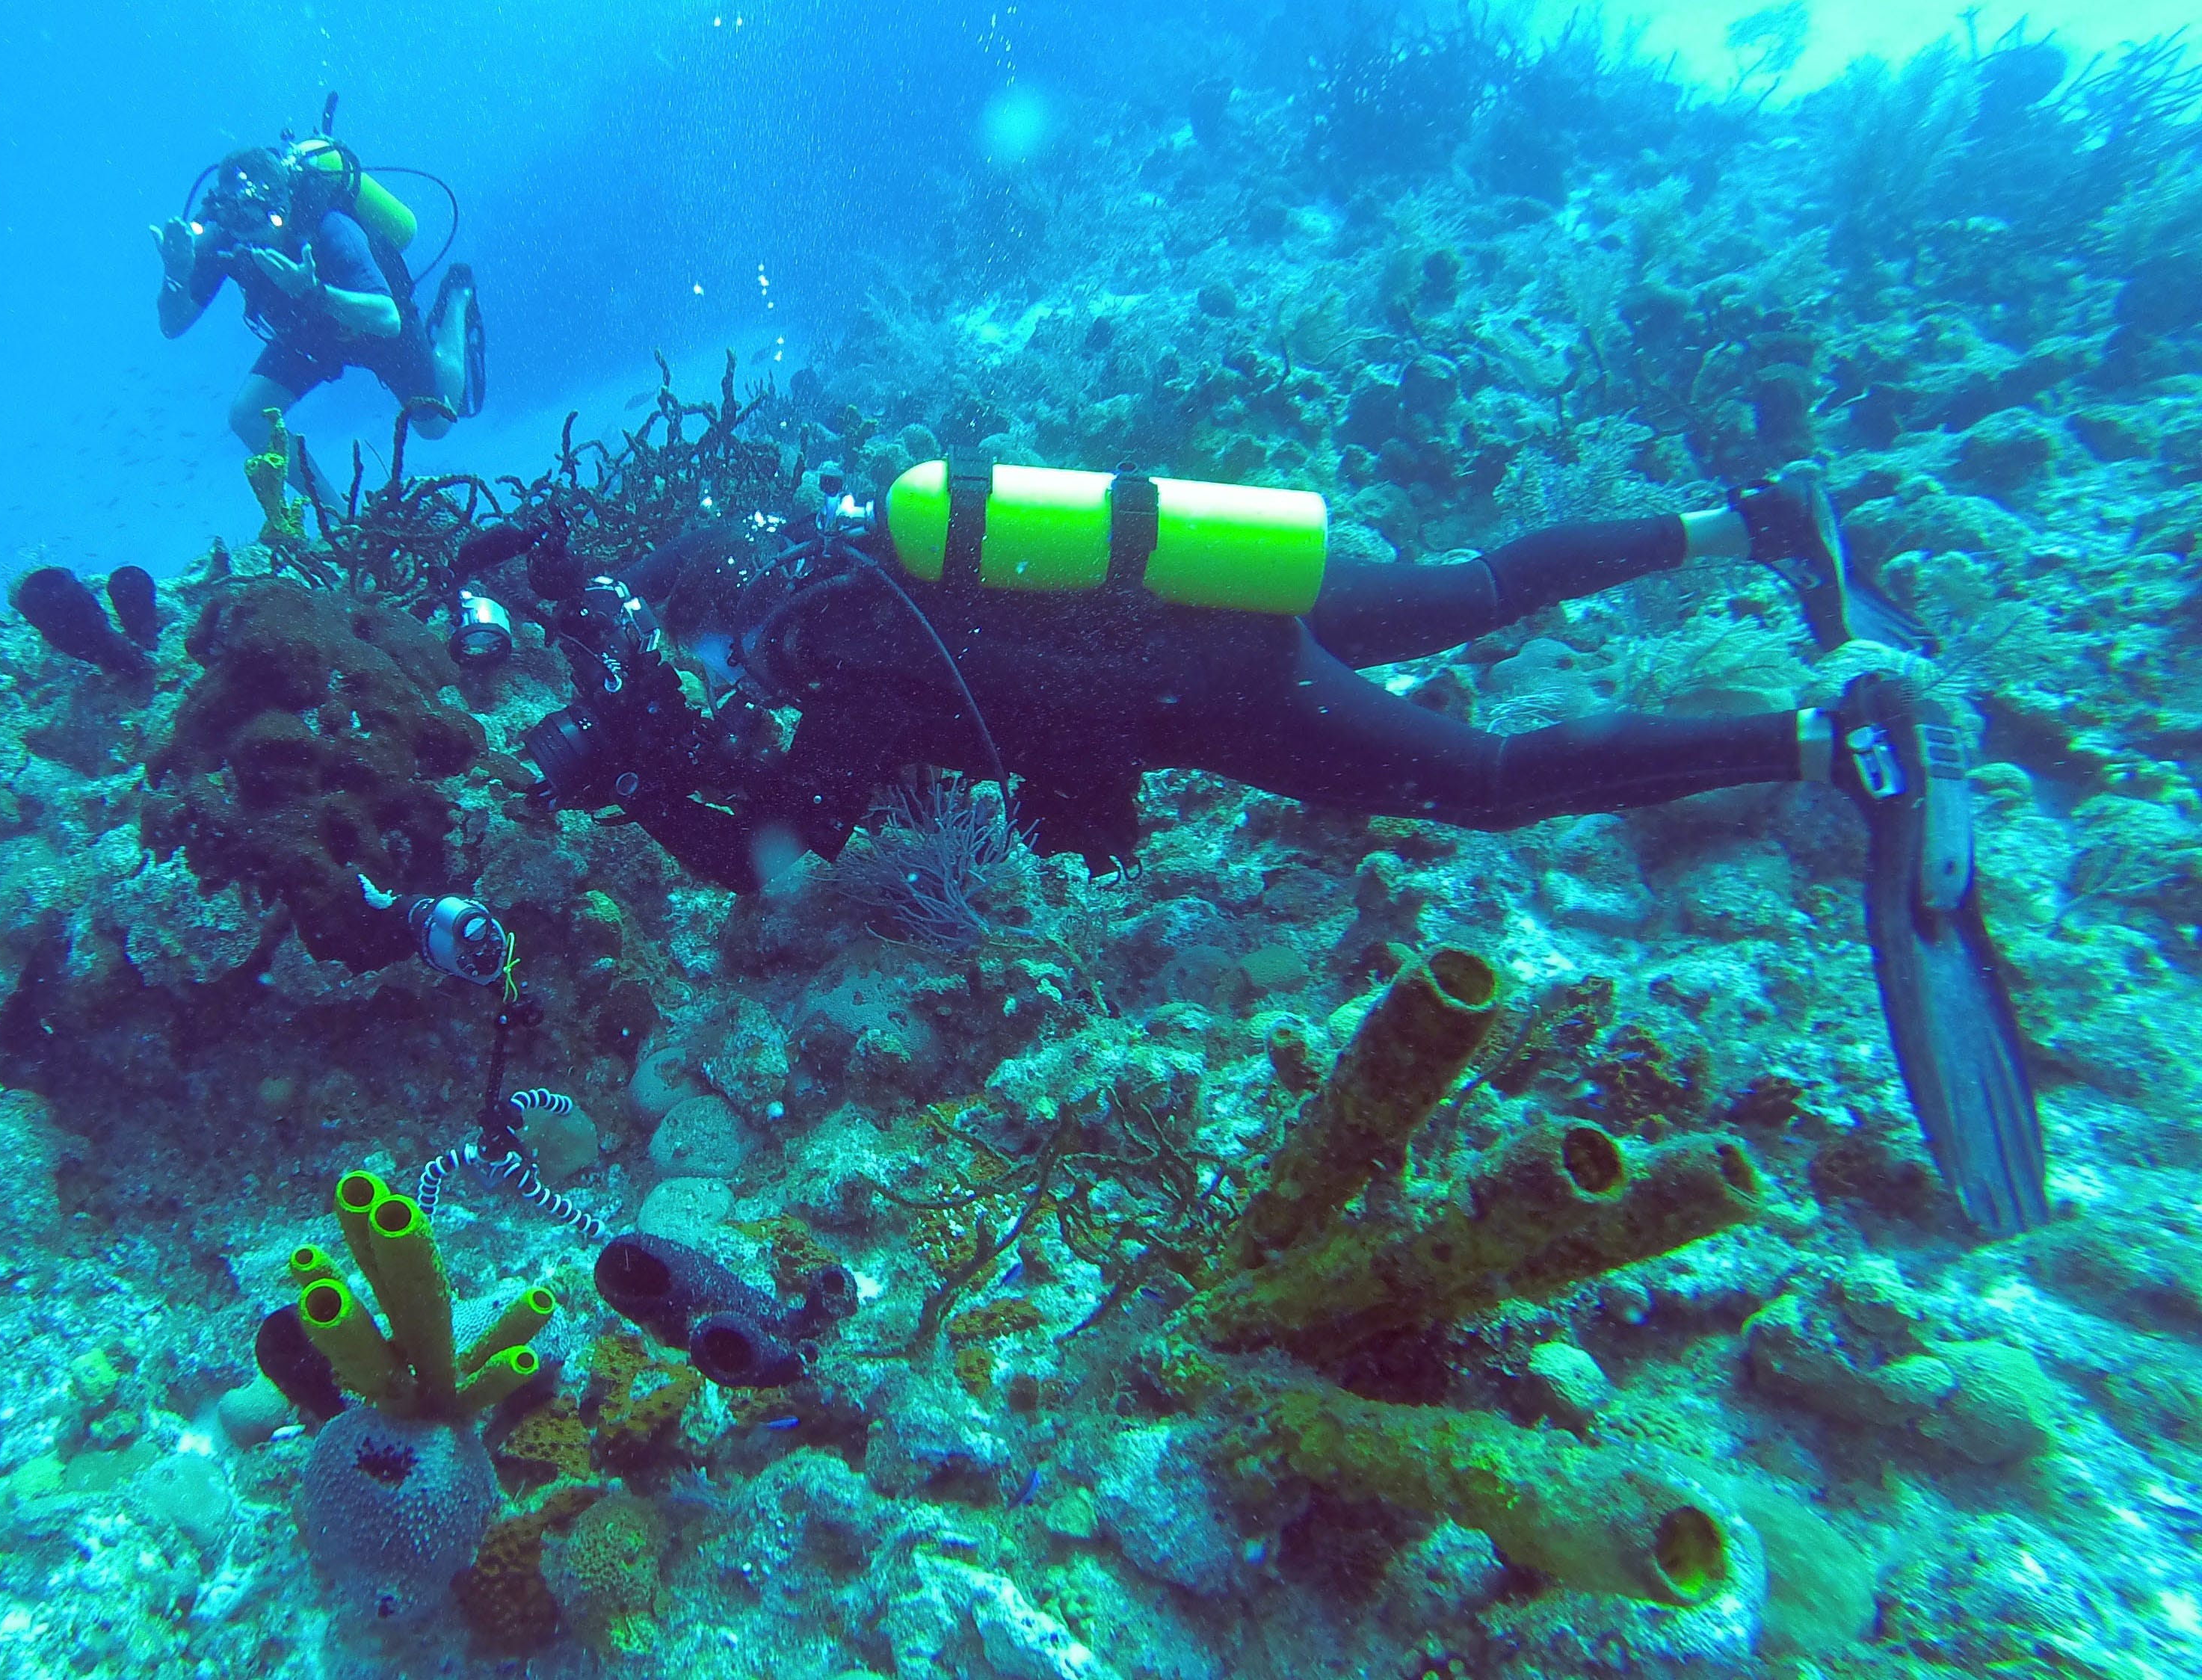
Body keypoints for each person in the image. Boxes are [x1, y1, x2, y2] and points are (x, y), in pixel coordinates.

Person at [487, 457, 2047, 1238]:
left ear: (735, 621)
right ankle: (1751, 519)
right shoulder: (870, 553)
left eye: (710, 658)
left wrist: (641, 785)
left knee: (1487, 778)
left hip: (1219, 688)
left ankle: (1829, 741)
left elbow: (773, 862)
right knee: (1468, 584)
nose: (726, 684)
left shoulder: (840, 663)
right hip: (1222, 584)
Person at [152, 140, 482, 457]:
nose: (251, 244)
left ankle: (458, 294)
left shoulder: (331, 227)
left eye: (258, 225)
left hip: (372, 329)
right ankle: (330, 499)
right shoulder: (226, 237)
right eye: (237, 227)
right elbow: (172, 325)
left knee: (436, 426)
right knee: (247, 417)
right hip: (305, 334)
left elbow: (388, 319)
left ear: (281, 207)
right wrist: (176, 275)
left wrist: (313, 292)